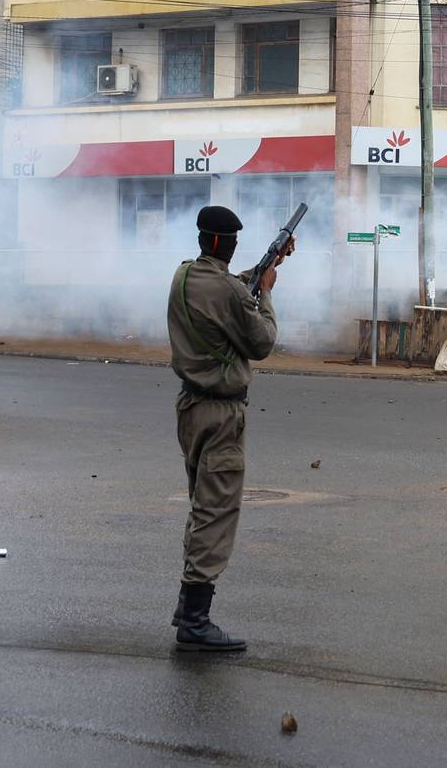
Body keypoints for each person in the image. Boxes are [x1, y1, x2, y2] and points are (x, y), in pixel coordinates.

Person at [166, 205, 292, 652]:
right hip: (221, 414)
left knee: (202, 505)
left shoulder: (183, 276)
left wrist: (263, 269)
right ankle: (196, 621)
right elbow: (261, 342)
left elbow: (222, 291)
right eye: (233, 242)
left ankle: (187, 605)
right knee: (216, 512)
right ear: (223, 243)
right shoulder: (232, 293)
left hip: (190, 409)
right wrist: (268, 292)